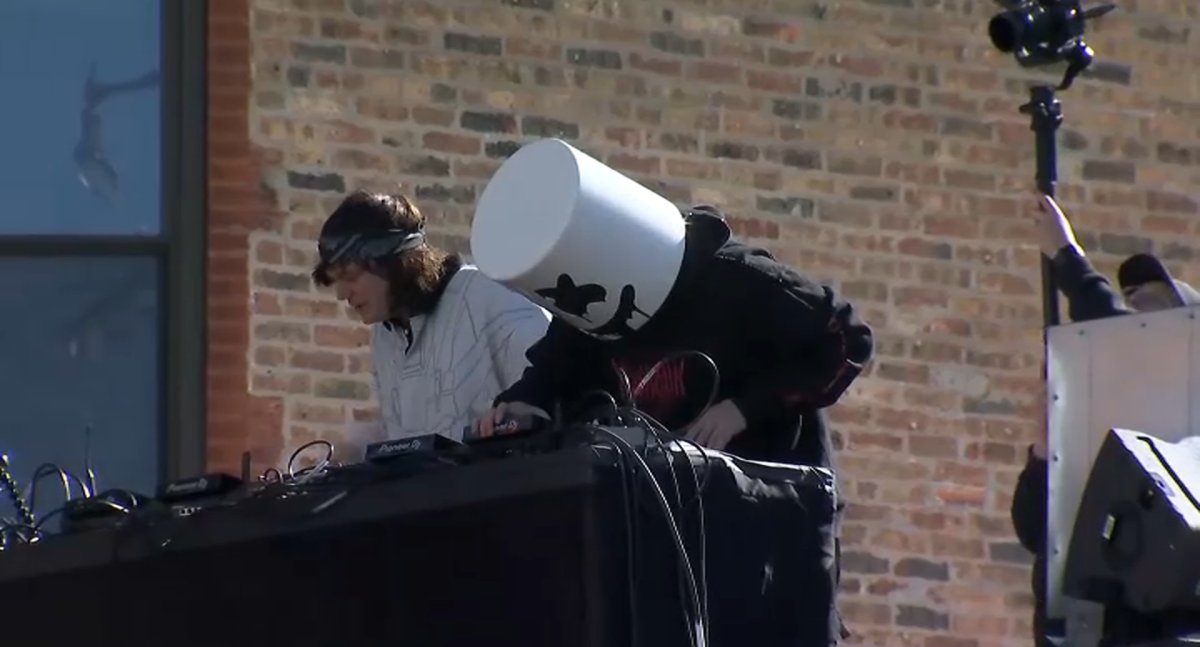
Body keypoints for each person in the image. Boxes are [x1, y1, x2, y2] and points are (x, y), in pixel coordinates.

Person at [473, 202, 873, 467]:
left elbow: (846, 339)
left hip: (771, 502)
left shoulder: (737, 278)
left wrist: (744, 409)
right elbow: (552, 370)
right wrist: (524, 407)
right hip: (654, 507)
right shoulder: (589, 293)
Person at [1012, 193, 1200, 647]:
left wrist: (1067, 258)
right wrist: (1042, 450)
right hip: (1085, 641)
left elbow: (1128, 345)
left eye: (1149, 315)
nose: (1133, 321)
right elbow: (1036, 531)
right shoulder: (1088, 424)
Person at [309, 190, 551, 450]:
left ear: (394, 261)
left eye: (350, 275)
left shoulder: (490, 296)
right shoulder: (385, 334)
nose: (341, 293)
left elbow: (556, 394)